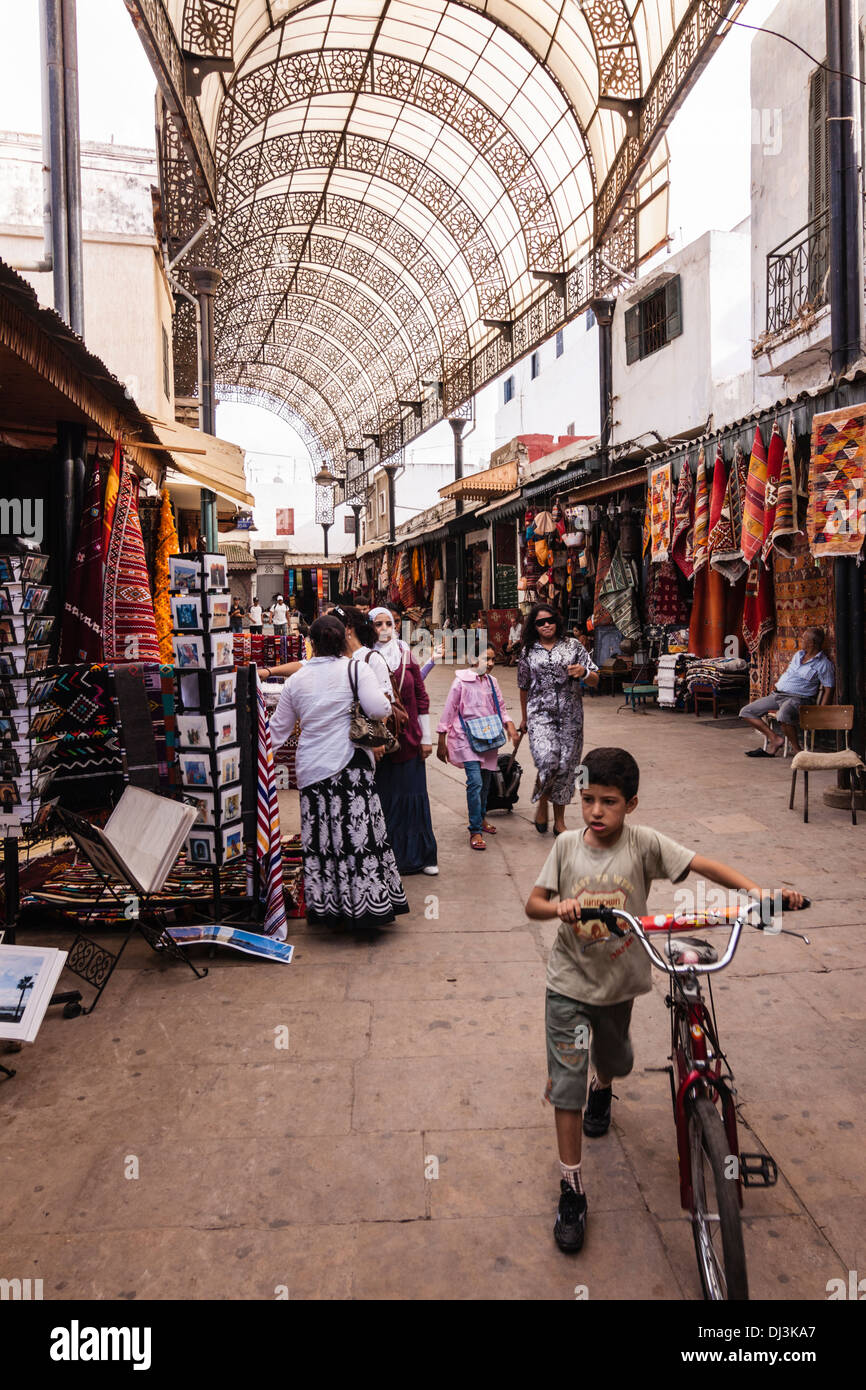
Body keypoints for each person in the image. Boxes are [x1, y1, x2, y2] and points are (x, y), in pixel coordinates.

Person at [524, 745, 806, 1254]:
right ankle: (572, 1189)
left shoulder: (644, 844)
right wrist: (557, 907)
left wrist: (760, 894)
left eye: (608, 802)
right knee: (565, 1089)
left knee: (617, 1058)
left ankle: (604, 1082)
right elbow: (533, 902)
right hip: (567, 983)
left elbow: (704, 864)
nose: (595, 812)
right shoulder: (566, 845)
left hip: (621, 984)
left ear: (631, 804)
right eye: (587, 799)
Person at [268, 615, 409, 930]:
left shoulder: (296, 681)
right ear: (342, 640)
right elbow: (379, 709)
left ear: (312, 643)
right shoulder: (355, 669)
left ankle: (330, 909)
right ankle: (366, 907)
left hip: (312, 769)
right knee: (357, 837)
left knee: (323, 839)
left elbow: (277, 731)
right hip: (350, 766)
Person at [517, 603, 599, 836]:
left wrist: (583, 673)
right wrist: (524, 718)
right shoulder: (528, 651)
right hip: (539, 715)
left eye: (550, 620)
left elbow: (595, 678)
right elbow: (523, 686)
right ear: (534, 626)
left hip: (571, 717)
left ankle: (559, 820)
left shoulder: (574, 646)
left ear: (557, 620)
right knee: (548, 760)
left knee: (566, 767)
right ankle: (543, 803)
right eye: (540, 622)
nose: (546, 625)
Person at [369, 606, 438, 876]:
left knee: (413, 797)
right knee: (386, 800)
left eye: (389, 623)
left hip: (409, 740)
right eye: (378, 624)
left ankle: (421, 856)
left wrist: (427, 738)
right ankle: (389, 859)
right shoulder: (364, 659)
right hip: (380, 744)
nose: (385, 628)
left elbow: (421, 698)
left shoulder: (406, 655)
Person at [436, 646, 519, 850]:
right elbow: (449, 710)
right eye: (486, 659)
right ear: (473, 658)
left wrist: (509, 726)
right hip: (465, 738)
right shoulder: (460, 682)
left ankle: (481, 818)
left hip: (489, 737)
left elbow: (500, 706)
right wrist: (441, 739)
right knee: (475, 782)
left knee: (486, 781)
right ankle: (475, 829)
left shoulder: (493, 682)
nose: (491, 664)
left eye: (493, 659)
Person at [741, 626, 834, 757]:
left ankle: (797, 750)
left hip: (798, 698)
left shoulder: (824, 664)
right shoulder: (798, 655)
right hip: (777, 694)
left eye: (804, 638)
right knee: (746, 711)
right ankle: (775, 739)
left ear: (812, 643)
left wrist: (822, 711)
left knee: (783, 715)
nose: (801, 640)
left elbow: (828, 688)